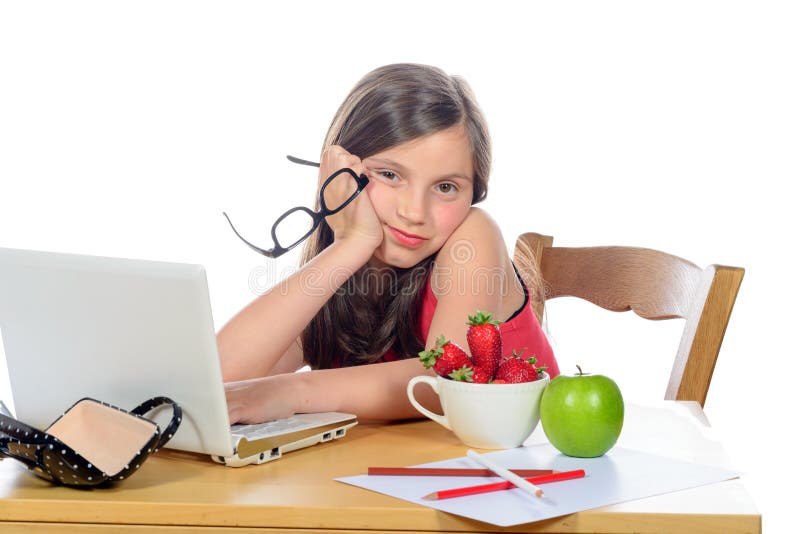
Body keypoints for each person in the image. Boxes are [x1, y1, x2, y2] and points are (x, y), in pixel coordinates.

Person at [219, 63, 559, 424]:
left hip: (517, 473)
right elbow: (219, 380)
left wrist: (291, 391)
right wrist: (352, 243)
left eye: (446, 187)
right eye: (390, 175)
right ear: (341, 174)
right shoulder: (346, 272)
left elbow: (446, 378)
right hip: (397, 473)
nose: (414, 212)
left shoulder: (472, 237)